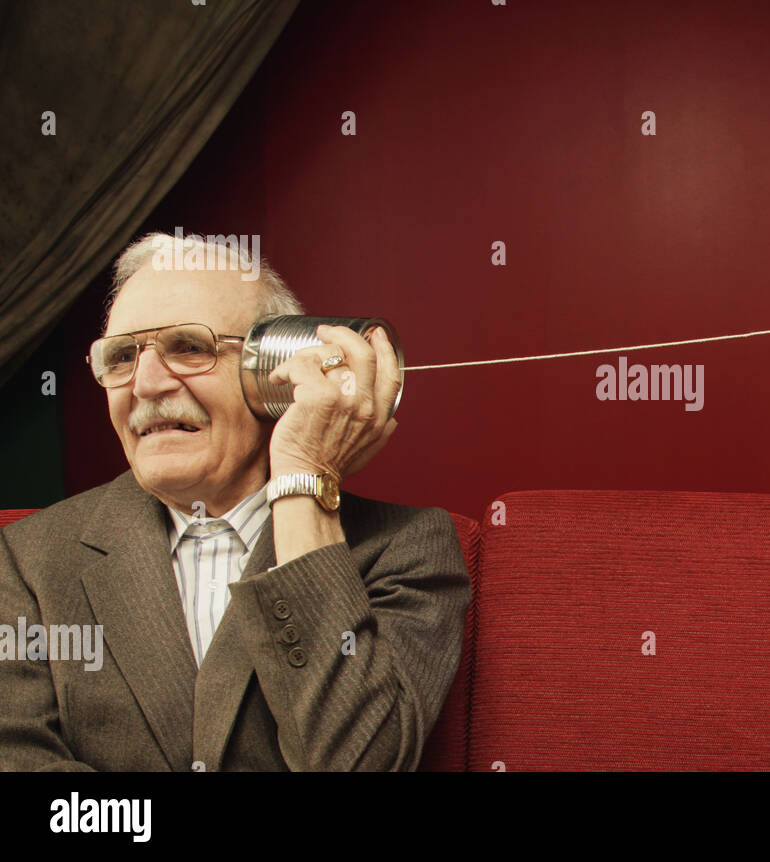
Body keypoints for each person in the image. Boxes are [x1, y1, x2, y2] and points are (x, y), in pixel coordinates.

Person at [0, 233, 470, 770]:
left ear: (281, 376)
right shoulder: (26, 560)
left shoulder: (407, 549)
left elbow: (356, 762)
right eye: (122, 356)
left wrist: (305, 478)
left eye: (189, 347)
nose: (146, 384)